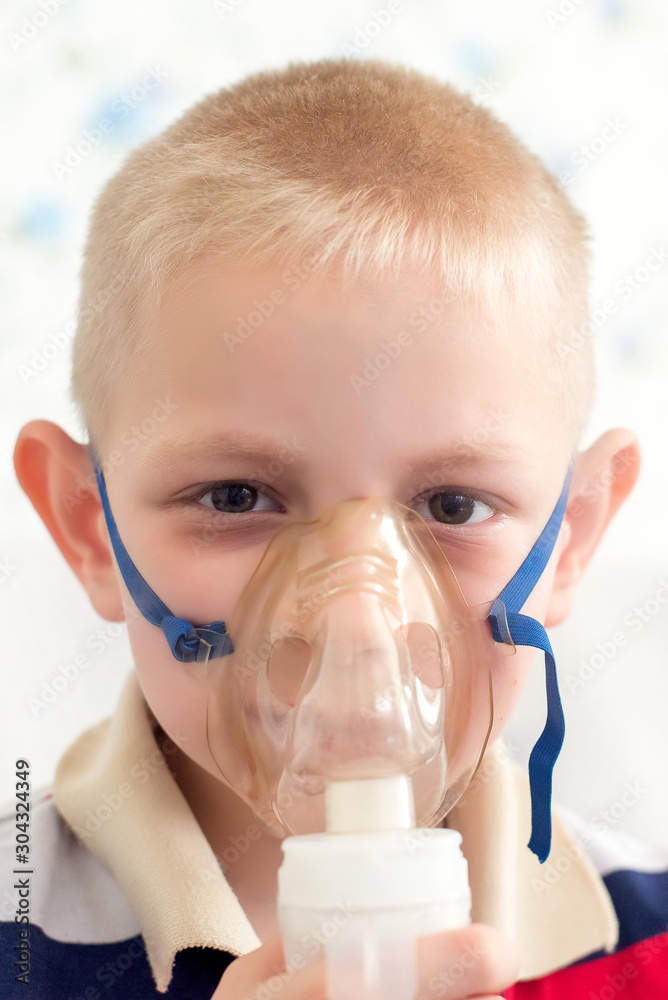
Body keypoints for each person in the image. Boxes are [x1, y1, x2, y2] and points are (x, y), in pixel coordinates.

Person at [3, 56, 666, 999]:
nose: (357, 629)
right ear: (88, 526)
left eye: (452, 507)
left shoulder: (649, 945)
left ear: (571, 535)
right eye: (237, 497)